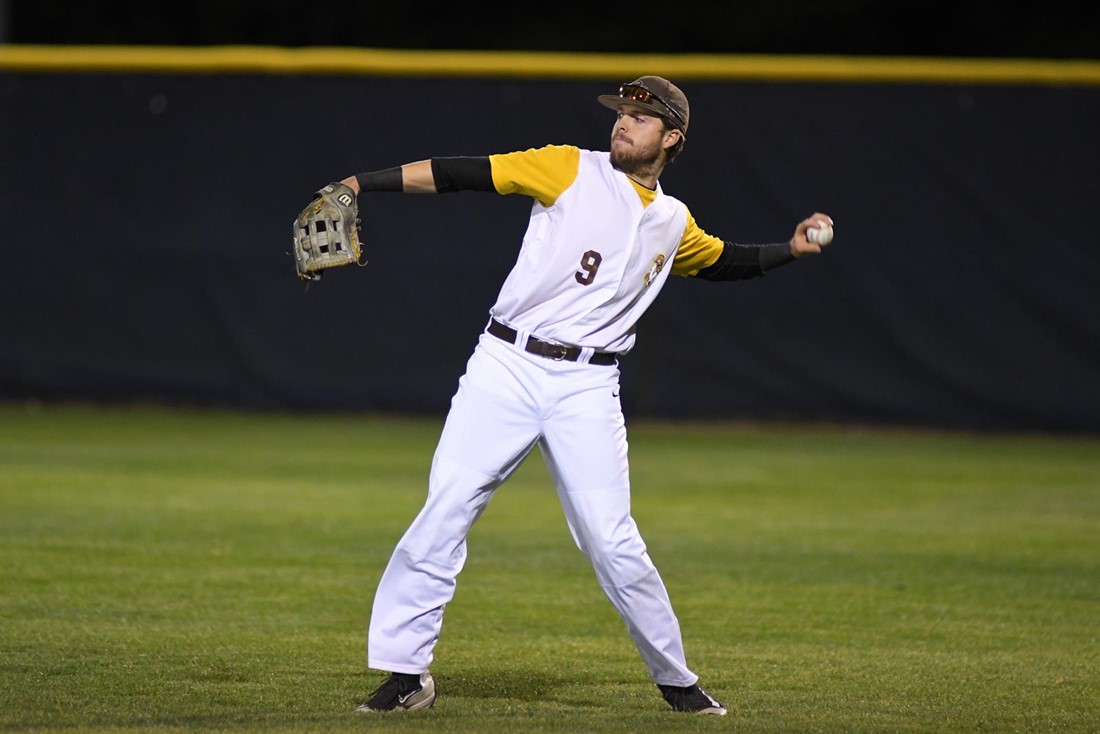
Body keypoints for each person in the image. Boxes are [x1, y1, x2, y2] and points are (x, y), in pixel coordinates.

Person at [341, 75, 833, 716]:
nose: (623, 122)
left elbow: (721, 260)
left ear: (671, 138)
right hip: (506, 365)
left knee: (612, 539)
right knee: (446, 511)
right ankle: (407, 675)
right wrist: (362, 184)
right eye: (621, 112)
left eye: (640, 116)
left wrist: (789, 251)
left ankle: (677, 681)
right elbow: (461, 173)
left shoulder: (673, 220)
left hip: (589, 386)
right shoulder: (568, 167)